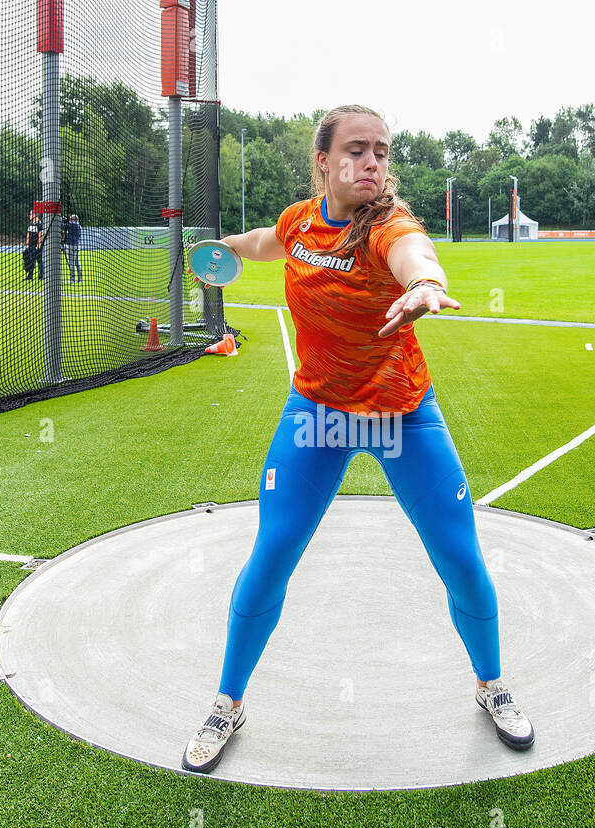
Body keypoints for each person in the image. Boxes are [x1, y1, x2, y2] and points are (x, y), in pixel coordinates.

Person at [181, 103, 535, 775]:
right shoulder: (300, 221)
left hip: (402, 415)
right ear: (323, 161)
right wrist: (226, 249)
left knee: (459, 557)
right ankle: (228, 702)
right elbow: (268, 240)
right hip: (317, 415)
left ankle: (492, 687)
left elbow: (414, 254)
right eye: (355, 150)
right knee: (274, 552)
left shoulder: (389, 227)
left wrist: (426, 283)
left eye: (380, 151)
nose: (371, 162)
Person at [61, 214, 82, 282]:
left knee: (71, 262)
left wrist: (62, 220)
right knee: (77, 262)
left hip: (71, 245)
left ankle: (72, 279)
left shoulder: (72, 225)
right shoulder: (79, 226)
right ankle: (80, 278)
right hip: (77, 245)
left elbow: (62, 225)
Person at [23, 211, 43, 280]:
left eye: (31, 214)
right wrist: (27, 244)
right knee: (31, 261)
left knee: (39, 261)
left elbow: (40, 235)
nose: (30, 215)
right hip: (31, 245)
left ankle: (41, 276)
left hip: (36, 246)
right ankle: (30, 276)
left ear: (35, 215)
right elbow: (28, 234)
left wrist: (38, 245)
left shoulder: (39, 224)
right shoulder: (31, 223)